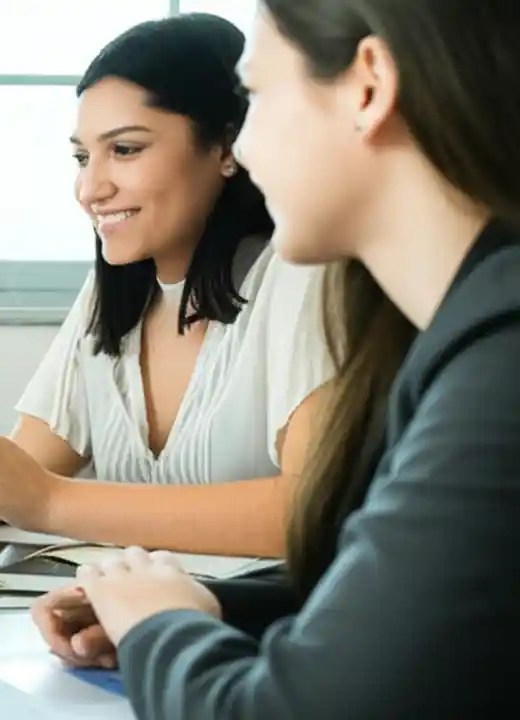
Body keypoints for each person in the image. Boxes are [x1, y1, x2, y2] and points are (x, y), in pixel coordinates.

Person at [31, 1, 520, 716]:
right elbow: (391, 586)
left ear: (368, 87)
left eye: (256, 97)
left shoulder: (499, 374)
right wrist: (208, 604)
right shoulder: (464, 333)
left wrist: (159, 628)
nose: (246, 149)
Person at [0, 14, 334, 557]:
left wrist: (51, 501)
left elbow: (310, 512)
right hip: (124, 609)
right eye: (82, 157)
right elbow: (23, 477)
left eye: (126, 150)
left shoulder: (300, 276)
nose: (90, 189)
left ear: (228, 147)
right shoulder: (111, 294)